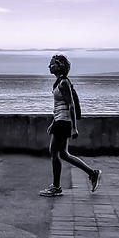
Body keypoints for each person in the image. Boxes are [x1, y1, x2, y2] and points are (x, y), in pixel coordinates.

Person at [40, 54, 101, 196]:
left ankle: (56, 187)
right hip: (60, 121)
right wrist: (53, 122)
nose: (49, 66)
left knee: (54, 153)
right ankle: (93, 173)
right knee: (64, 154)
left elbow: (71, 105)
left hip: (64, 122)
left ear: (59, 65)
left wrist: (74, 127)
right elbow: (59, 105)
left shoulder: (63, 83)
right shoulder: (59, 82)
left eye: (52, 64)